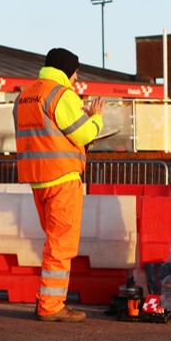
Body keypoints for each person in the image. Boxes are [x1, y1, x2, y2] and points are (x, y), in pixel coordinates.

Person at [13, 47, 105, 322]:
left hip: (37, 178)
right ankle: (51, 306)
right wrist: (96, 118)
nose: (76, 80)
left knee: (54, 242)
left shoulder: (25, 96)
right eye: (75, 74)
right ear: (67, 70)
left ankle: (49, 300)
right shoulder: (61, 94)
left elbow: (46, 134)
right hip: (62, 177)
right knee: (61, 245)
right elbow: (83, 133)